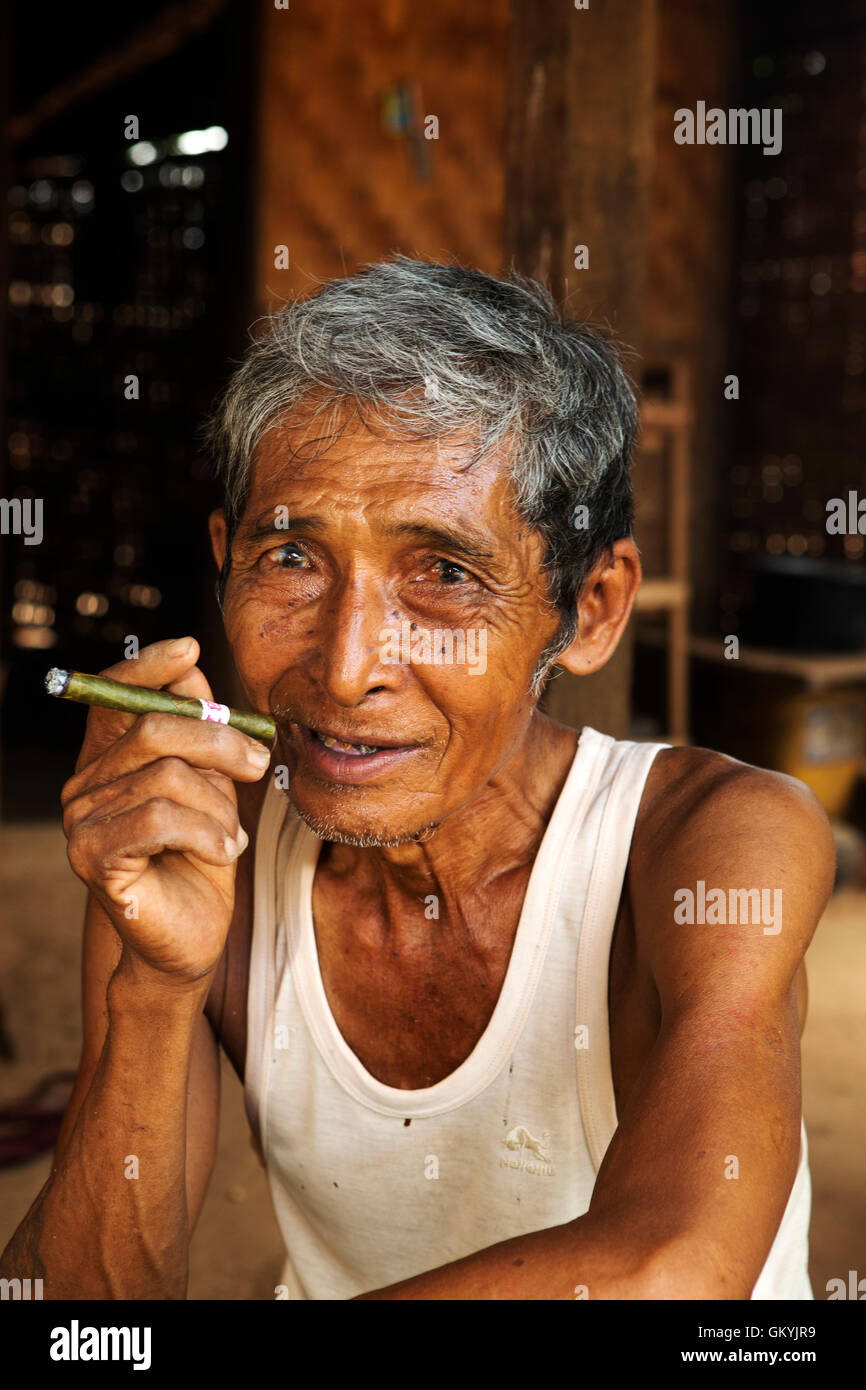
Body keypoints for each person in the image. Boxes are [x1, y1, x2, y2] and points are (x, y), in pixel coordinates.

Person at [0, 257, 834, 1299]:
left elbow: (672, 1271)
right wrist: (156, 986)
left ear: (588, 609)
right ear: (224, 563)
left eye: (442, 573)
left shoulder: (715, 838)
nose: (345, 666)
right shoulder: (201, 846)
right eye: (292, 558)